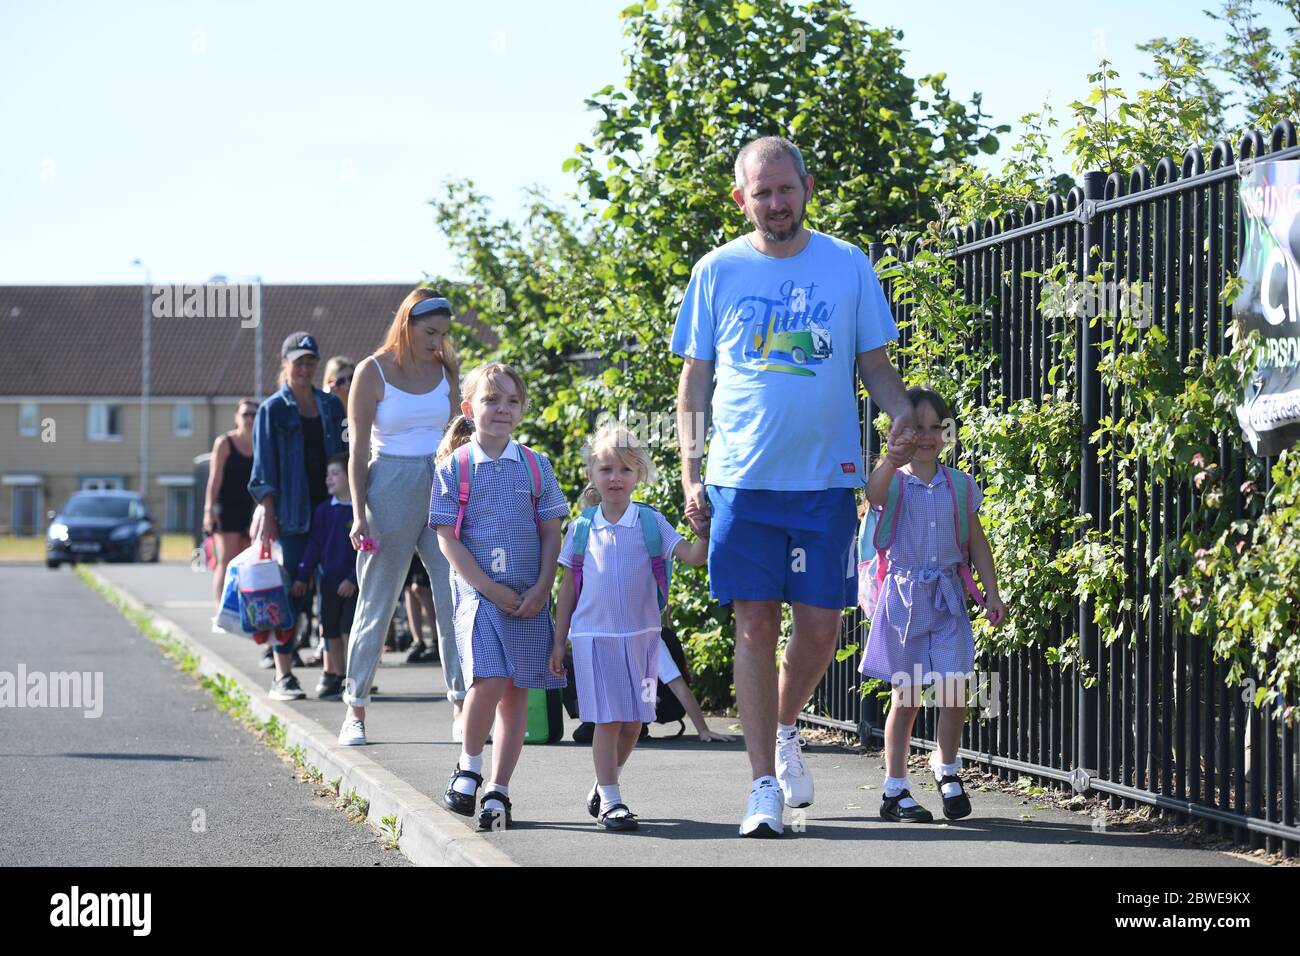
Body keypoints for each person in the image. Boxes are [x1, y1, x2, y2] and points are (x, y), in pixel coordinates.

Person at [672, 135, 917, 838]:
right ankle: (760, 788)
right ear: (740, 197)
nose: (775, 203)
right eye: (762, 192)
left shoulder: (846, 265)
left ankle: (784, 727)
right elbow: (694, 380)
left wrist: (903, 418)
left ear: (806, 187)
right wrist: (692, 471)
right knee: (753, 626)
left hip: (825, 480)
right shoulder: (716, 270)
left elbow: (875, 366)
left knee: (818, 627)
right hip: (741, 482)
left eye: (786, 189)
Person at [550, 423, 708, 830]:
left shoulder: (652, 522)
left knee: (635, 721)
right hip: (593, 639)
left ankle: (605, 786)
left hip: (642, 640)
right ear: (591, 475)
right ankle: (613, 800)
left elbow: (693, 557)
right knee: (606, 719)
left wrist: (704, 532)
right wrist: (557, 641)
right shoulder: (582, 527)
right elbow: (568, 589)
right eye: (605, 470)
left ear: (639, 474)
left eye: (624, 469)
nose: (615, 478)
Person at [431, 363, 568, 830]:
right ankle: (468, 768)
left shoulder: (536, 464)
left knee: (516, 696)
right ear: (469, 410)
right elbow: (446, 537)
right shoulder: (456, 467)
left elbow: (552, 530)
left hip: (529, 597)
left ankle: (499, 790)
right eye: (492, 400)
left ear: (522, 409)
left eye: (512, 401)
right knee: (487, 680)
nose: (503, 409)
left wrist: (543, 586)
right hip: (479, 596)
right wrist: (487, 586)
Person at [860, 388, 1005, 822]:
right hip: (904, 600)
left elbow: (976, 543)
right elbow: (872, 491)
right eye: (914, 427)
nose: (925, 436)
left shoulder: (960, 485)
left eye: (933, 427)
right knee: (906, 698)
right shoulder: (894, 482)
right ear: (899, 432)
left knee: (955, 687)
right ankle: (895, 789)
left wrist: (991, 592)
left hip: (948, 599)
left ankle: (946, 770)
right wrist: (890, 457)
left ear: (946, 433)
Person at [338, 290, 464, 746]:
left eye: (443, 334)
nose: (438, 342)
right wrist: (358, 514)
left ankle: (461, 706)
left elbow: (457, 436)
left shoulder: (446, 369)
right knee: (377, 599)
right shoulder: (372, 371)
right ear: (407, 323)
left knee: (453, 595)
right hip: (388, 483)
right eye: (430, 332)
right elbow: (356, 451)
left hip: (442, 480)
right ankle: (355, 710)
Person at [249, 331, 346, 701]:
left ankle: (332, 672)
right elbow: (262, 471)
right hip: (291, 516)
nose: (304, 368)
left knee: (331, 591)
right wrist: (268, 514)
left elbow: (344, 456)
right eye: (298, 361)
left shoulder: (331, 406)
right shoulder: (272, 409)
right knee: (290, 594)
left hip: (332, 514)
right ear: (285, 363)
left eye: (310, 361)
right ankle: (283, 675)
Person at [291, 453, 359, 701]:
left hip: (353, 584)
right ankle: (339, 677)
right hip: (328, 583)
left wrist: (353, 579)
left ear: (350, 475)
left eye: (335, 473)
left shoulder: (361, 510)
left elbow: (369, 549)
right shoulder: (323, 511)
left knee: (349, 631)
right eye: (327, 474)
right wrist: (302, 575)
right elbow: (314, 546)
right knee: (329, 631)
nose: (329, 479)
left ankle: (356, 678)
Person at [203, 398, 257, 606]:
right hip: (228, 508)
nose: (249, 419)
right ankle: (221, 609)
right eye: (245, 414)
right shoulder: (225, 443)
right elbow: (214, 479)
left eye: (253, 414)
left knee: (248, 561)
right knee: (227, 561)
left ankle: (243, 608)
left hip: (252, 509)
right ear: (237, 417)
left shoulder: (261, 442)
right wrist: (209, 510)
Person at [403, 555, 438, 663]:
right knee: (409, 588)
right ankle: (417, 641)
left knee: (420, 588)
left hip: (425, 546)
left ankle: (436, 641)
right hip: (408, 548)